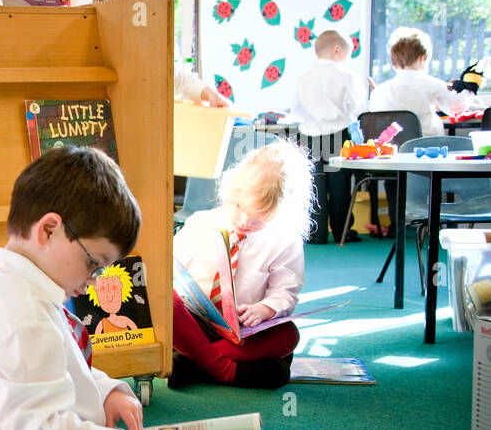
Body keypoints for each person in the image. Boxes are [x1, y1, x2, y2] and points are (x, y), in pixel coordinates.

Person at [0, 146, 348, 430]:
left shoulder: (17, 291)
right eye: (94, 263)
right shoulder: (19, 321)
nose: (92, 281)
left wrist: (108, 389)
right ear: (49, 230)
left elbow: (57, 367)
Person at [171, 138, 313, 389]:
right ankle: (224, 369)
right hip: (195, 322)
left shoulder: (285, 241)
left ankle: (195, 362)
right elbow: (170, 267)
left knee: (288, 336)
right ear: (231, 193)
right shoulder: (201, 223)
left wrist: (264, 309)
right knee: (167, 303)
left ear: (280, 212)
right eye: (238, 207)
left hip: (243, 332)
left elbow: (285, 293)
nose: (244, 221)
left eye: (258, 218)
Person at [92, 0, 229, 108]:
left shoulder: (148, 53)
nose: (136, 20)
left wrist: (206, 92)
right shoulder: (98, 52)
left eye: (141, 11)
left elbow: (179, 80)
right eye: (129, 11)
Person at [291, 29, 367, 243]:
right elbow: (359, 107)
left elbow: (295, 109)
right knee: (340, 185)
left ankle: (316, 233)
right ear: (337, 50)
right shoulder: (347, 75)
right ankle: (344, 231)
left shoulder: (303, 77)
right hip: (338, 133)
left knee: (313, 184)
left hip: (309, 135)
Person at [370, 26, 478, 137]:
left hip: (393, 150)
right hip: (428, 146)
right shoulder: (433, 84)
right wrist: (471, 88)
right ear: (422, 59)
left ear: (394, 63)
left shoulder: (379, 91)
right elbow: (456, 109)